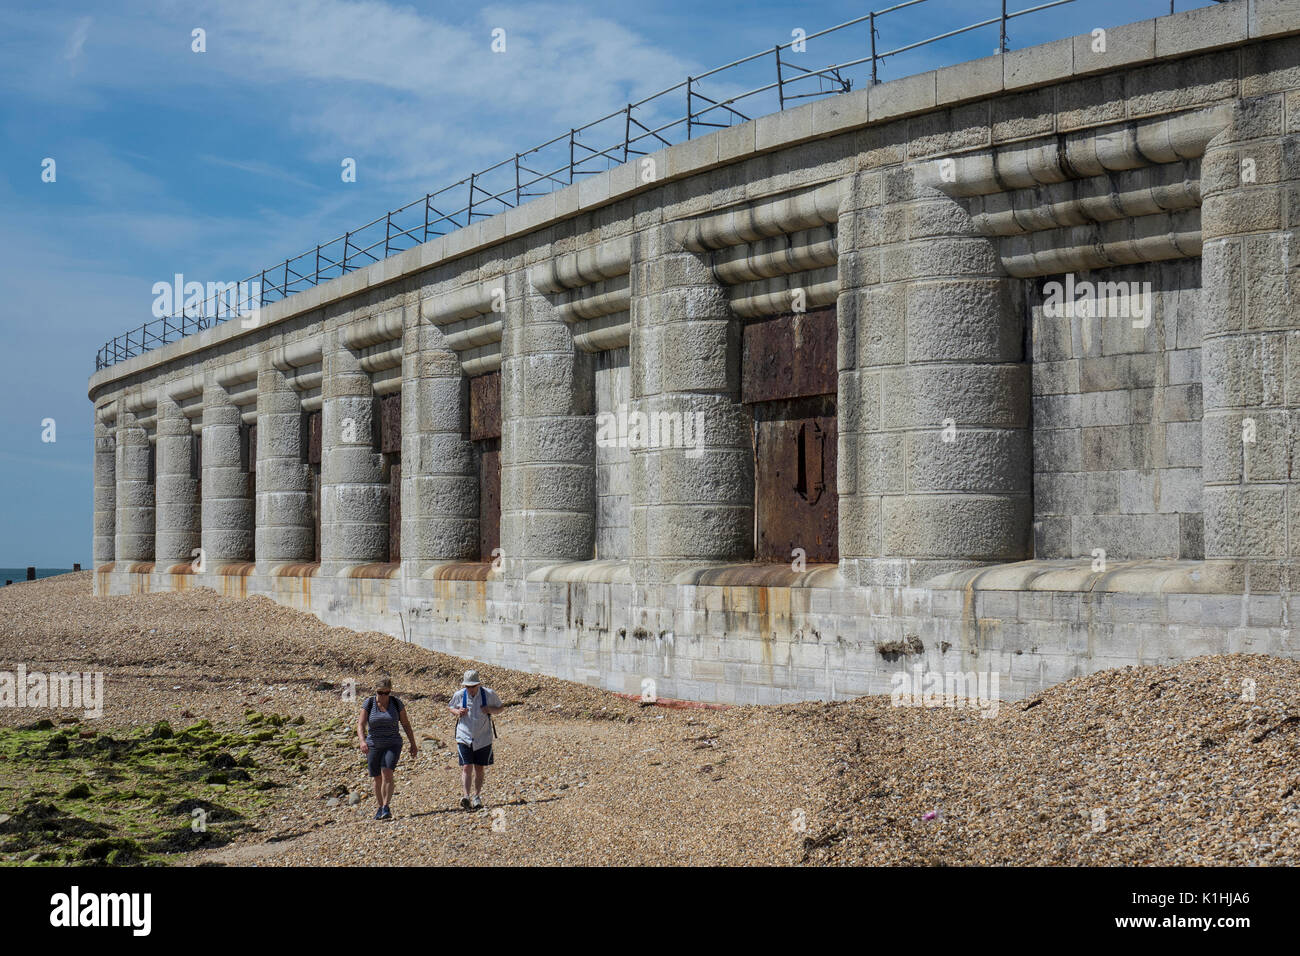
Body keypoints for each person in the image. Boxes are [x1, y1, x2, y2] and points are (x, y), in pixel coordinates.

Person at [357, 677, 417, 820]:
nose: (383, 696)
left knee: (387, 772)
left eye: (387, 692)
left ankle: (386, 806)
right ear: (375, 691)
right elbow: (361, 724)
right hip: (373, 744)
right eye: (380, 692)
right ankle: (379, 807)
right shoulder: (369, 703)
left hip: (392, 743)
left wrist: (413, 743)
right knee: (377, 777)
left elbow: (405, 724)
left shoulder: (396, 703)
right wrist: (362, 741)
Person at [448, 669, 503, 810]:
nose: (470, 689)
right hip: (464, 736)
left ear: (478, 684)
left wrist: (490, 709)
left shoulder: (488, 694)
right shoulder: (459, 695)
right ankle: (466, 796)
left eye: (473, 686)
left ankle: (477, 796)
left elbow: (500, 708)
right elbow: (451, 707)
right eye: (468, 686)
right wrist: (457, 712)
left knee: (479, 768)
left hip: (483, 737)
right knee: (467, 766)